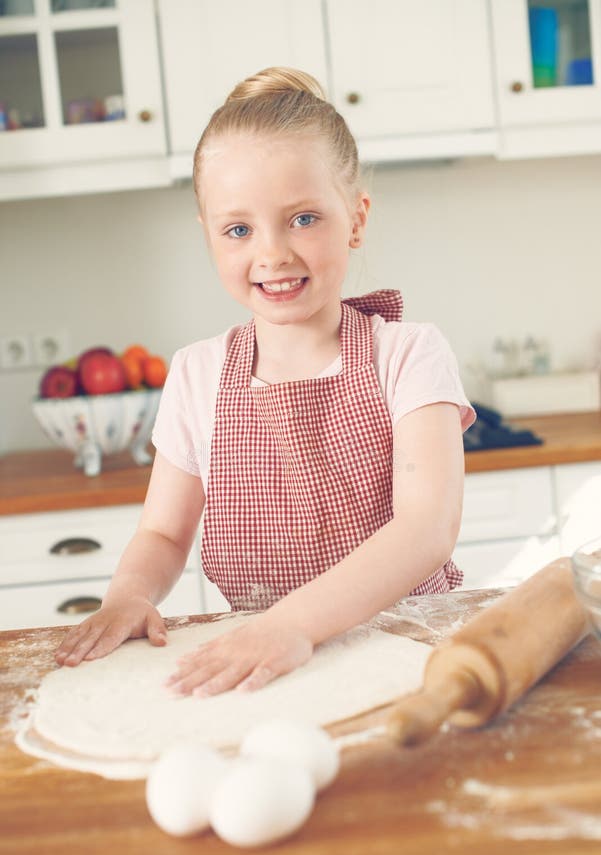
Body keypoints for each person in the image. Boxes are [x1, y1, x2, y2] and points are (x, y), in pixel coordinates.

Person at [55, 67, 475, 697]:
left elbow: (426, 530)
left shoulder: (409, 354)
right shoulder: (198, 375)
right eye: (239, 229)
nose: (273, 253)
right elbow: (165, 533)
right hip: (266, 664)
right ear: (209, 237)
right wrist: (128, 596)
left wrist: (293, 626)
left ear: (356, 219)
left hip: (413, 650)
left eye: (303, 219)